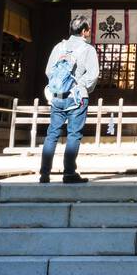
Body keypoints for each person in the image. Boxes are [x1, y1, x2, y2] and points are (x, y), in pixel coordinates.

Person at [40, 15, 99, 184]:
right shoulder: (88, 50)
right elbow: (93, 75)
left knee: (52, 134)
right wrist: (81, 86)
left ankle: (44, 172)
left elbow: (49, 71)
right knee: (74, 134)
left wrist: (59, 85)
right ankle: (69, 172)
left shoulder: (59, 47)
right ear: (84, 31)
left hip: (57, 96)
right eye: (88, 29)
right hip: (77, 97)